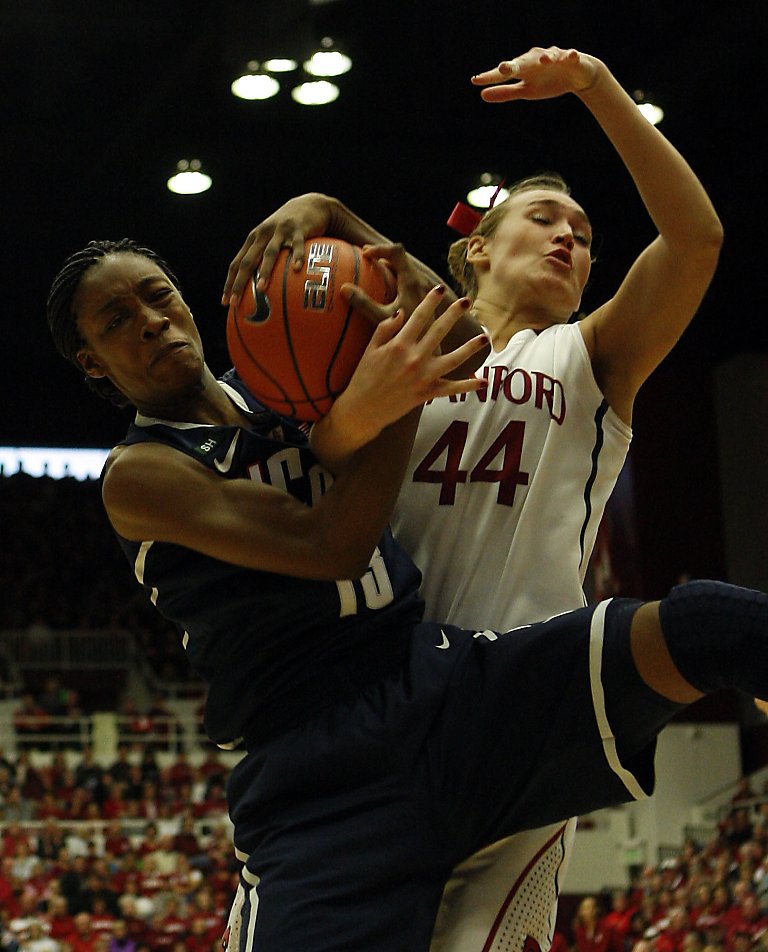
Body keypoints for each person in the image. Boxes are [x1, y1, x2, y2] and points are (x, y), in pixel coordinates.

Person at [46, 65, 768, 952]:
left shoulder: (308, 392)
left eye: (156, 296)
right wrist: (384, 394)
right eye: (117, 320)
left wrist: (337, 215)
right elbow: (339, 534)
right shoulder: (151, 468)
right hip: (322, 746)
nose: (151, 321)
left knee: (709, 623)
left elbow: (464, 340)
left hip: (477, 683)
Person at [222, 46, 724, 951]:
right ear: (476, 248)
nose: (571, 237)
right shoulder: (392, 348)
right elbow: (321, 469)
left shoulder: (592, 357)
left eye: (584, 232)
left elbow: (696, 241)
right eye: (544, 217)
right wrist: (317, 208)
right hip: (374, 703)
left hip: (520, 717)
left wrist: (596, 88)